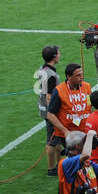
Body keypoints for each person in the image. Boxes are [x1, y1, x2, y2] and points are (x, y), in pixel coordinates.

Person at [38, 45, 62, 175]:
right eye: (58, 53)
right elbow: (49, 97)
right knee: (52, 140)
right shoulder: (51, 75)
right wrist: (54, 113)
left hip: (43, 108)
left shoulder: (43, 69)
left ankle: (58, 164)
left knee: (55, 138)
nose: (59, 55)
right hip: (50, 111)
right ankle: (52, 168)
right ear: (53, 57)